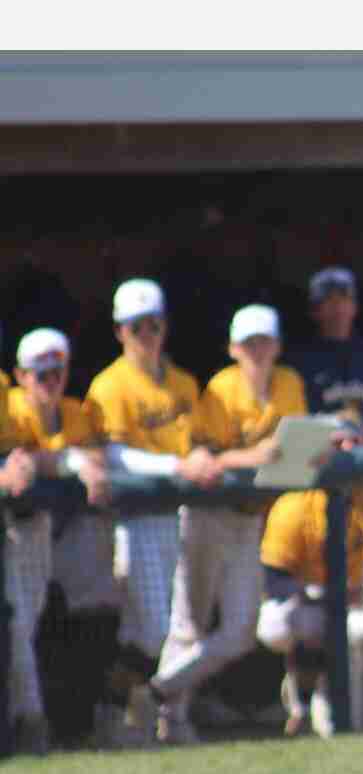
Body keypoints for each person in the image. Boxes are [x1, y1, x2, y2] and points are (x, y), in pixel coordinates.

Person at [125, 304, 308, 744]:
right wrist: (259, 456)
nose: (257, 351)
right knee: (189, 624)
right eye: (248, 344)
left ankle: (155, 691)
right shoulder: (220, 390)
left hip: (249, 518)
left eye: (264, 342)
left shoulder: (289, 383)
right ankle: (174, 720)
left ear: (278, 345)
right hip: (209, 514)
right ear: (232, 348)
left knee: (242, 630)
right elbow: (205, 460)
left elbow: (297, 451)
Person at [82, 277, 223, 747]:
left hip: (180, 512)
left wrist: (203, 457)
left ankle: (127, 712)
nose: (147, 333)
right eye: (137, 326)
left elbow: (199, 439)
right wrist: (176, 464)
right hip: (134, 516)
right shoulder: (108, 384)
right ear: (120, 331)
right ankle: (113, 708)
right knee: (152, 629)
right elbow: (112, 453)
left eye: (154, 324)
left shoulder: (183, 382)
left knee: (168, 626)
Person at [255, 411, 363, 738]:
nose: (347, 447)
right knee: (276, 625)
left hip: (358, 599)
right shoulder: (294, 502)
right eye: (339, 442)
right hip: (307, 601)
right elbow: (273, 578)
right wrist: (325, 597)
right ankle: (309, 694)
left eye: (355, 441)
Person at [4, 327, 109, 754]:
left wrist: (77, 460)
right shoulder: (10, 406)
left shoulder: (73, 410)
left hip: (39, 530)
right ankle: (31, 725)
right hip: (13, 527)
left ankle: (31, 724)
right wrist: (69, 460)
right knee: (17, 628)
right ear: (21, 375)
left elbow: (94, 455)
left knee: (25, 627)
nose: (50, 380)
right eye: (40, 373)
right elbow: (24, 462)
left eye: (57, 372)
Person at [287, 266, 363, 446]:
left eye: (344, 299)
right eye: (328, 301)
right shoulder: (299, 363)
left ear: (354, 306)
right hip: (319, 462)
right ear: (314, 310)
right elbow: (295, 424)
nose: (337, 307)